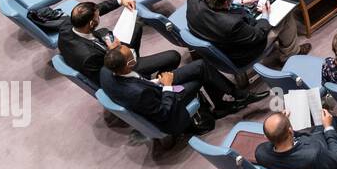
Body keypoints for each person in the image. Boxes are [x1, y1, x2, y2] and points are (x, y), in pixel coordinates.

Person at [100, 44, 248, 137]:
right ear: (128, 65)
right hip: (167, 104)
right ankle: (223, 104)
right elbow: (164, 112)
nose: (133, 53)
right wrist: (168, 86)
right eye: (131, 55)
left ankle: (233, 95)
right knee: (199, 78)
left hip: (154, 87)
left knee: (200, 66)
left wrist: (158, 81)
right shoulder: (138, 93)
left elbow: (138, 82)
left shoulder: (106, 70)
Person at [187, 0, 304, 66]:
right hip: (240, 53)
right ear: (227, 2)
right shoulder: (233, 24)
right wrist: (264, 15)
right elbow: (258, 35)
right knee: (286, 16)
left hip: (215, 40)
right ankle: (290, 54)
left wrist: (241, 2)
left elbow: (212, 0)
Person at [58, 0, 180, 80]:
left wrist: (119, 1)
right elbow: (109, 74)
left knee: (136, 28)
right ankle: (152, 82)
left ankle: (134, 58)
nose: (99, 16)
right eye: (97, 17)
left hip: (104, 50)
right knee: (173, 57)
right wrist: (113, 51)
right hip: (117, 68)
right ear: (91, 24)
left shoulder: (69, 24)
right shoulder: (89, 57)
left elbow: (96, 9)